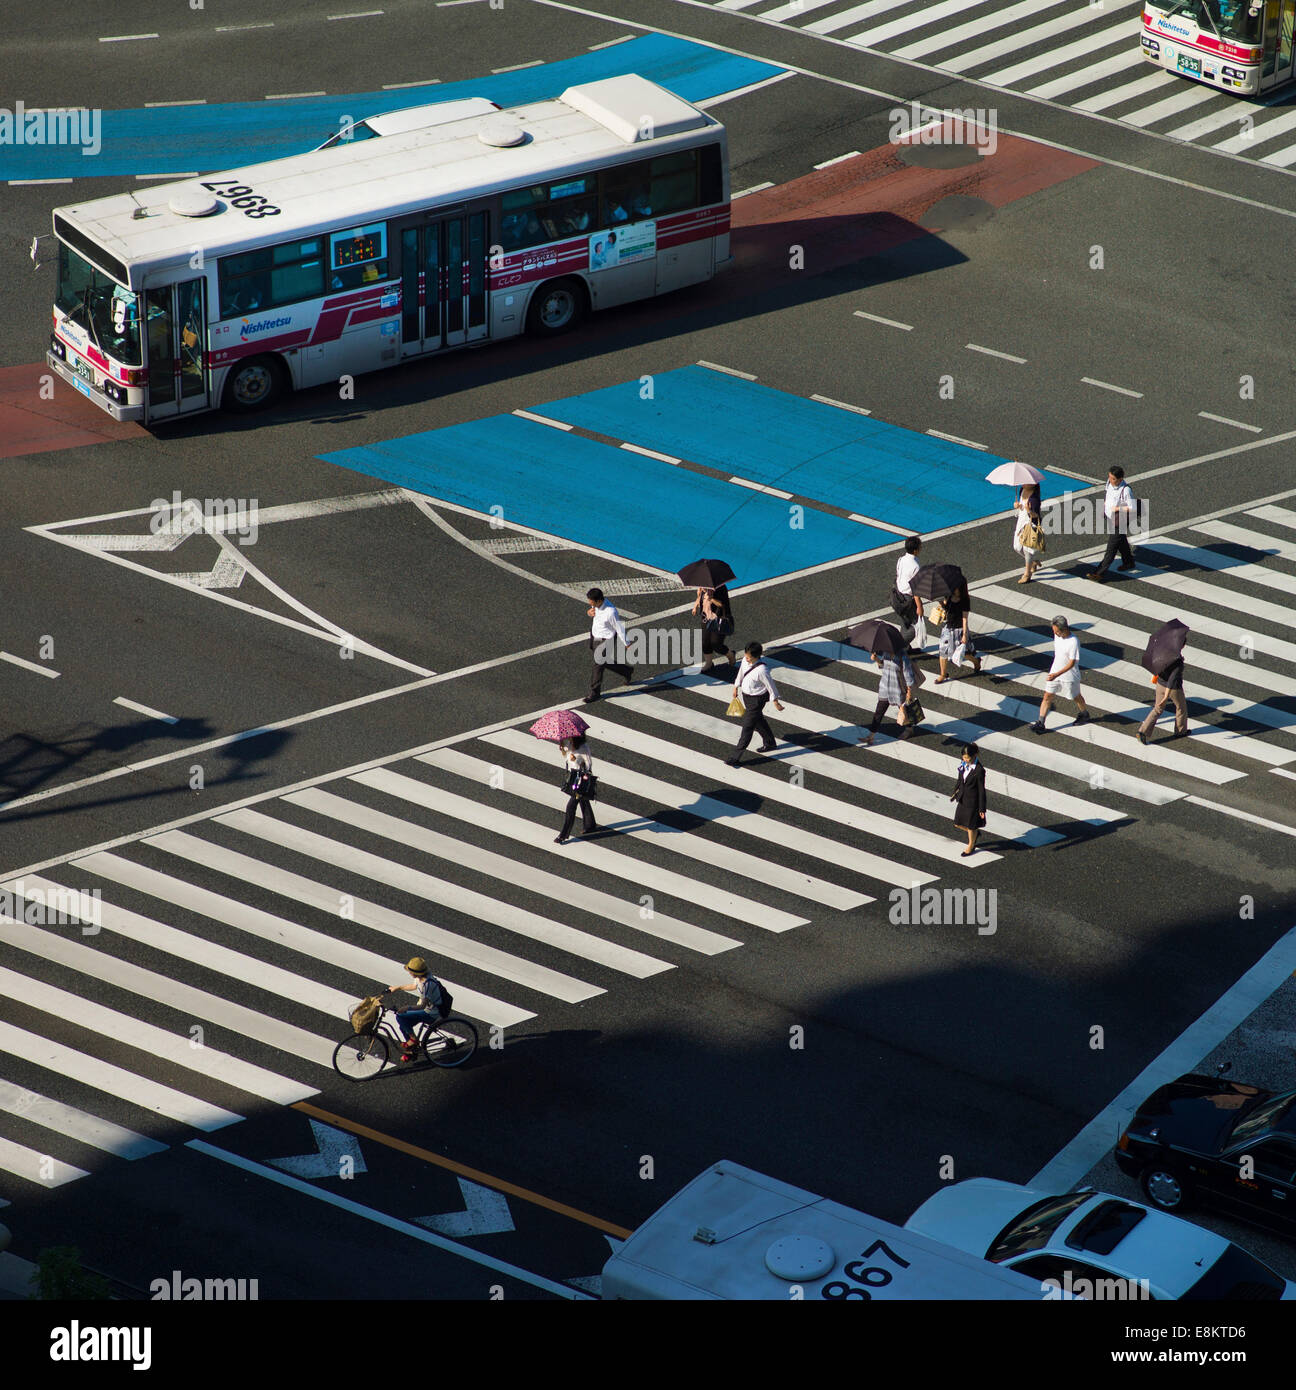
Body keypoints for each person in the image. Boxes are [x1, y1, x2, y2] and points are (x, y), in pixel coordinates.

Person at [726, 641, 784, 765]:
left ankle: (735, 757)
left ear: (756, 656)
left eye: (748, 656)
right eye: (746, 655)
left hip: (757, 700)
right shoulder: (745, 661)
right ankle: (770, 743)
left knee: (747, 727)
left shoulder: (762, 670)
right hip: (746, 696)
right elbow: (741, 673)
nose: (746, 658)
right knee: (758, 720)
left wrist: (775, 701)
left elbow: (771, 686)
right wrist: (736, 687)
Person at [1031, 616, 1090, 734]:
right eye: (1054, 631)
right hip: (1054, 672)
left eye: (1057, 631)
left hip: (1069, 676)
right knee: (1047, 696)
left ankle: (1084, 714)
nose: (1055, 634)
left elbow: (1072, 663)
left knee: (1076, 696)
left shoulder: (1073, 641)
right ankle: (1041, 723)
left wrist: (1057, 674)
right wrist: (1055, 674)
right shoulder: (1057, 636)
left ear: (1064, 629)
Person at [385, 956, 449, 1064]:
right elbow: (414, 986)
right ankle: (411, 1051)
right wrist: (398, 987)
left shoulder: (427, 985)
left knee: (400, 1016)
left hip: (430, 1012)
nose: (409, 973)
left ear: (416, 973)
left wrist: (406, 1008)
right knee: (403, 1026)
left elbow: (423, 1006)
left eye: (410, 971)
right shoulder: (420, 977)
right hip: (426, 1008)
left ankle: (413, 1040)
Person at [1087, 466, 1139, 581]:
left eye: (1113, 478)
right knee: (1121, 541)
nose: (1110, 480)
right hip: (1111, 518)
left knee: (1111, 548)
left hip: (1120, 521)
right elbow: (1108, 494)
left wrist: (1117, 508)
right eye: (1109, 477)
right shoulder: (1109, 483)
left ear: (1120, 479)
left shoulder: (1126, 490)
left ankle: (1099, 573)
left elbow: (1132, 507)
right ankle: (1129, 562)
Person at [584, 587, 634, 703]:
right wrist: (589, 612)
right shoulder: (596, 605)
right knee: (603, 661)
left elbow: (619, 628)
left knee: (598, 664)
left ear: (598, 601)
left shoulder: (611, 612)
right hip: (595, 635)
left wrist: (627, 643)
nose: (590, 604)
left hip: (606, 639)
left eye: (591, 602)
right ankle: (626, 671)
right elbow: (592, 612)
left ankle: (595, 692)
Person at [859, 647, 917, 746]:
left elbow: (909, 675)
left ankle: (909, 729)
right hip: (885, 688)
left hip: (898, 688)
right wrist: (876, 659)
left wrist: (909, 693)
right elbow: (882, 665)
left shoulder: (902, 656)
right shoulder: (886, 653)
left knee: (904, 711)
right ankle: (871, 736)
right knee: (879, 712)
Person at [935, 583, 981, 684]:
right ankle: (943, 674)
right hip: (948, 628)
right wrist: (941, 603)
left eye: (955, 588)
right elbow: (945, 609)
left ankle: (976, 661)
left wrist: (964, 635)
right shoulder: (948, 596)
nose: (953, 589)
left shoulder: (965, 601)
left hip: (959, 629)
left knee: (964, 654)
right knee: (943, 651)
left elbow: (965, 619)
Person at [555, 735, 598, 843]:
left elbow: (588, 766)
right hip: (572, 778)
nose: (568, 737)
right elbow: (568, 760)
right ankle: (590, 824)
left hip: (580, 781)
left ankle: (563, 835)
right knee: (583, 800)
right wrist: (563, 749)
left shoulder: (584, 747)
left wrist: (577, 761)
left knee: (570, 807)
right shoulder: (570, 745)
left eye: (570, 736)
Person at [1138, 654, 1188, 744]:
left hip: (1160, 685)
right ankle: (1180, 731)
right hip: (1174, 689)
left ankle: (1142, 731)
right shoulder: (1177, 661)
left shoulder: (1161, 654)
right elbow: (1172, 680)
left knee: (1157, 709)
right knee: (1181, 708)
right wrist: (1166, 696)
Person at [949, 742, 986, 856]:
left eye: (967, 757)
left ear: (974, 755)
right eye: (963, 757)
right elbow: (960, 780)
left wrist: (982, 808)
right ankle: (975, 833)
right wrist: (955, 791)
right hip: (963, 798)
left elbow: (981, 790)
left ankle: (971, 845)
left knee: (970, 825)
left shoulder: (979, 770)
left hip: (973, 802)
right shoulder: (963, 764)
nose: (965, 759)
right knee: (957, 823)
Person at [892, 536, 925, 652]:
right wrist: (920, 606)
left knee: (905, 622)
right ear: (915, 550)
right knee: (916, 627)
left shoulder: (901, 559)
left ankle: (905, 648)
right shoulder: (915, 566)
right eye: (920, 547)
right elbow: (916, 589)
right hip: (907, 599)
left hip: (897, 595)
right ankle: (899, 647)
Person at [693, 584, 734, 672]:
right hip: (706, 618)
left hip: (718, 619)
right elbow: (700, 597)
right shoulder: (702, 587)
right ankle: (709, 663)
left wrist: (711, 598)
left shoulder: (720, 588)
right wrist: (695, 606)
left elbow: (722, 605)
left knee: (716, 644)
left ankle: (731, 655)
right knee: (705, 643)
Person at [1013, 483, 1043, 584]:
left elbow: (1036, 515)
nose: (1023, 483)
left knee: (1027, 550)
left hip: (1030, 525)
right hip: (1021, 522)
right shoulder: (1022, 490)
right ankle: (1032, 562)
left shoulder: (1034, 499)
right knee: (1017, 547)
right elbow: (1022, 507)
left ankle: (1027, 574)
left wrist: (1029, 510)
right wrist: (1018, 506)